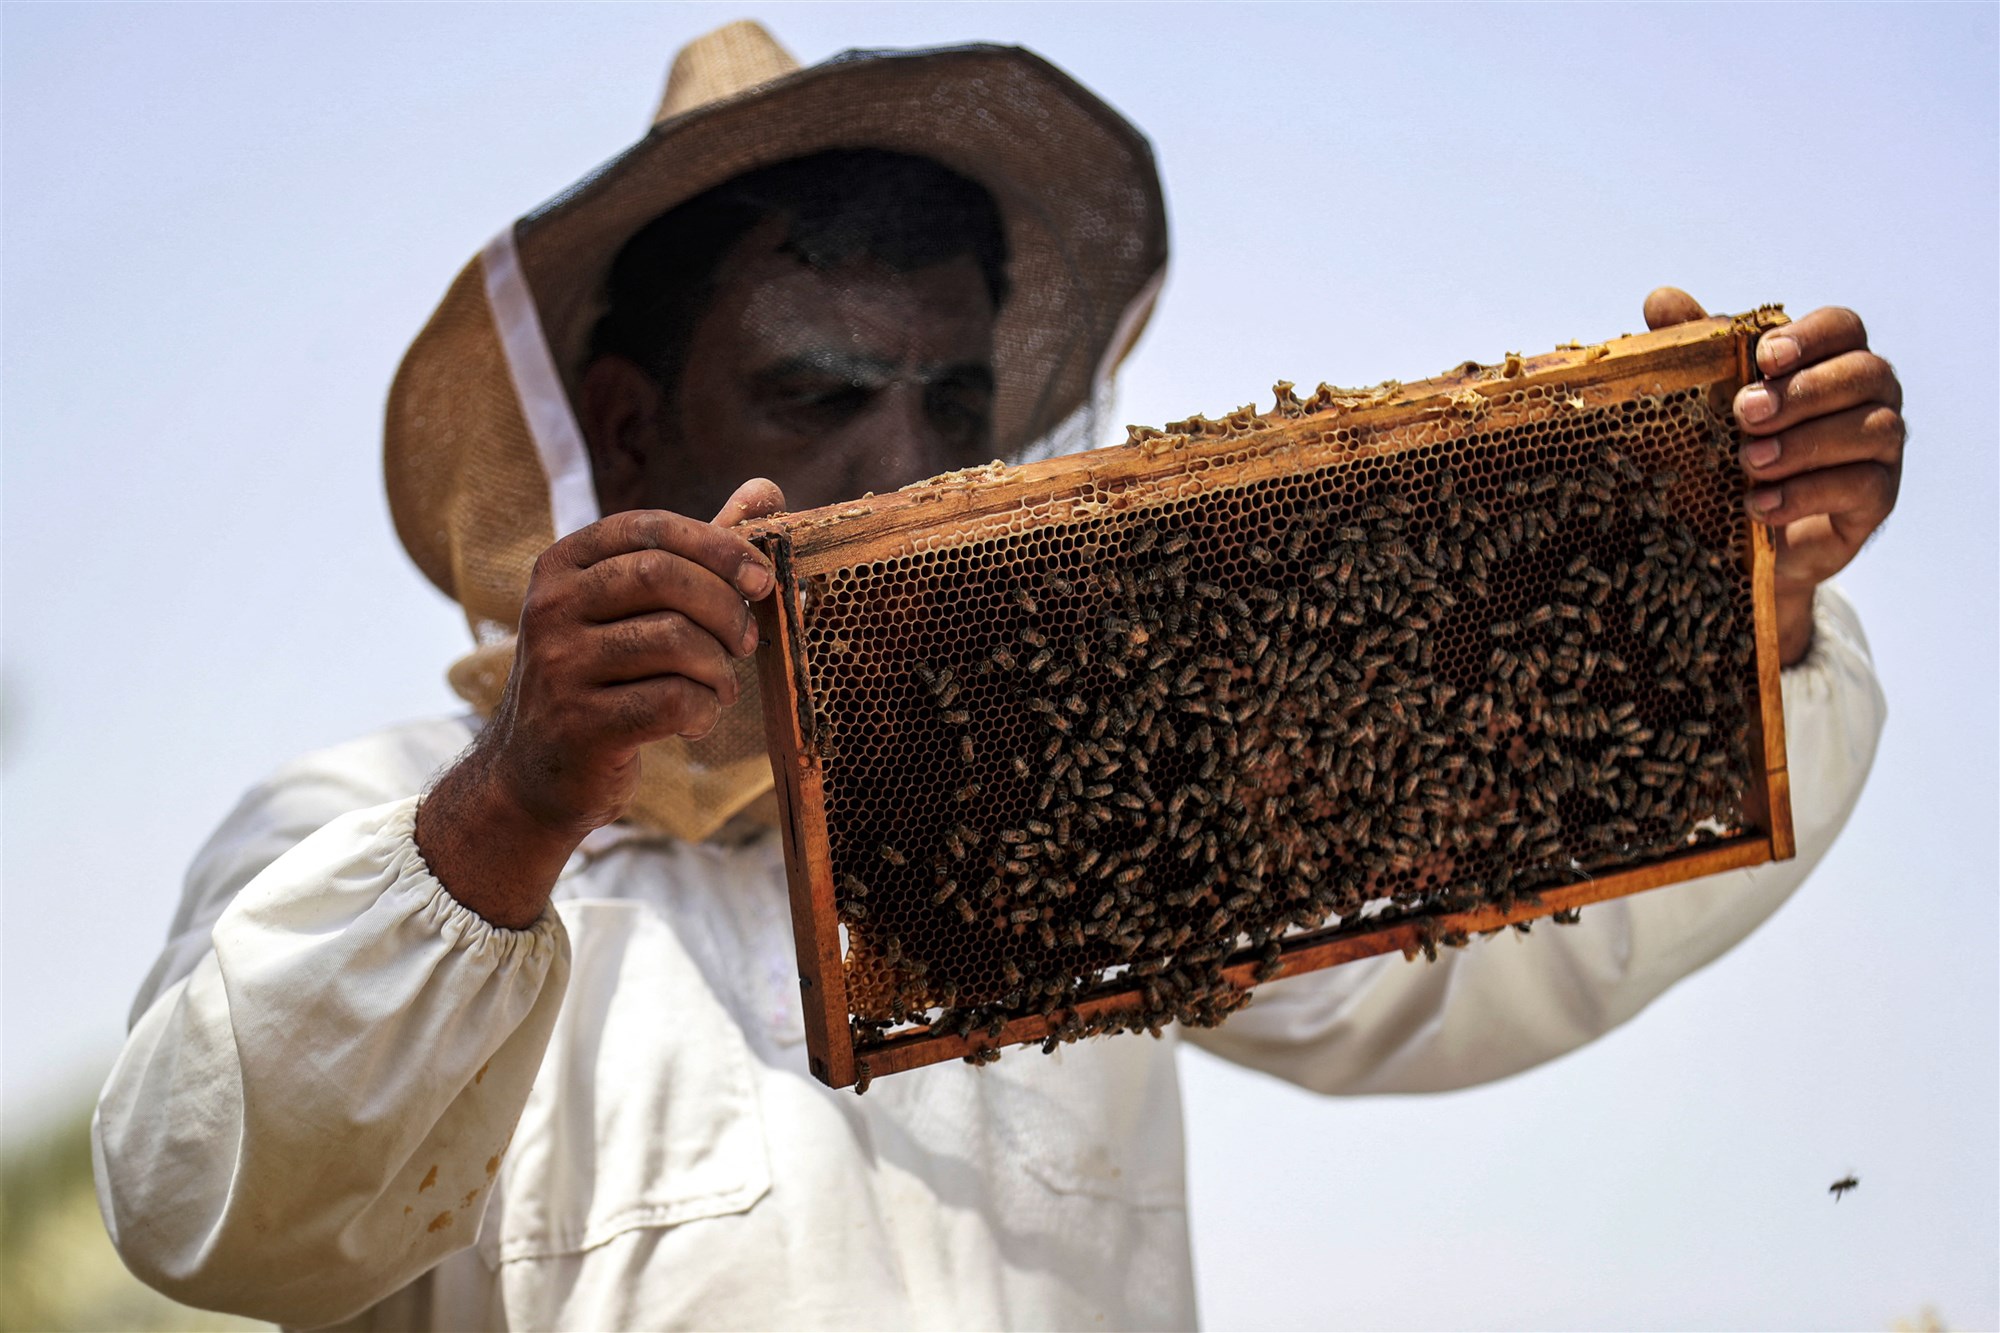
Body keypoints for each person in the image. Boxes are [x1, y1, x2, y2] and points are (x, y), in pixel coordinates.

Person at [93, 21, 1899, 1331]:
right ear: (637, 425)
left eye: (949, 402)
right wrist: (513, 805)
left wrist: (1744, 603)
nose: (899, 460)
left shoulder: (1073, 807)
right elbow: (211, 1213)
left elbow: (1481, 958)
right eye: (817, 391)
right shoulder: (363, 826)